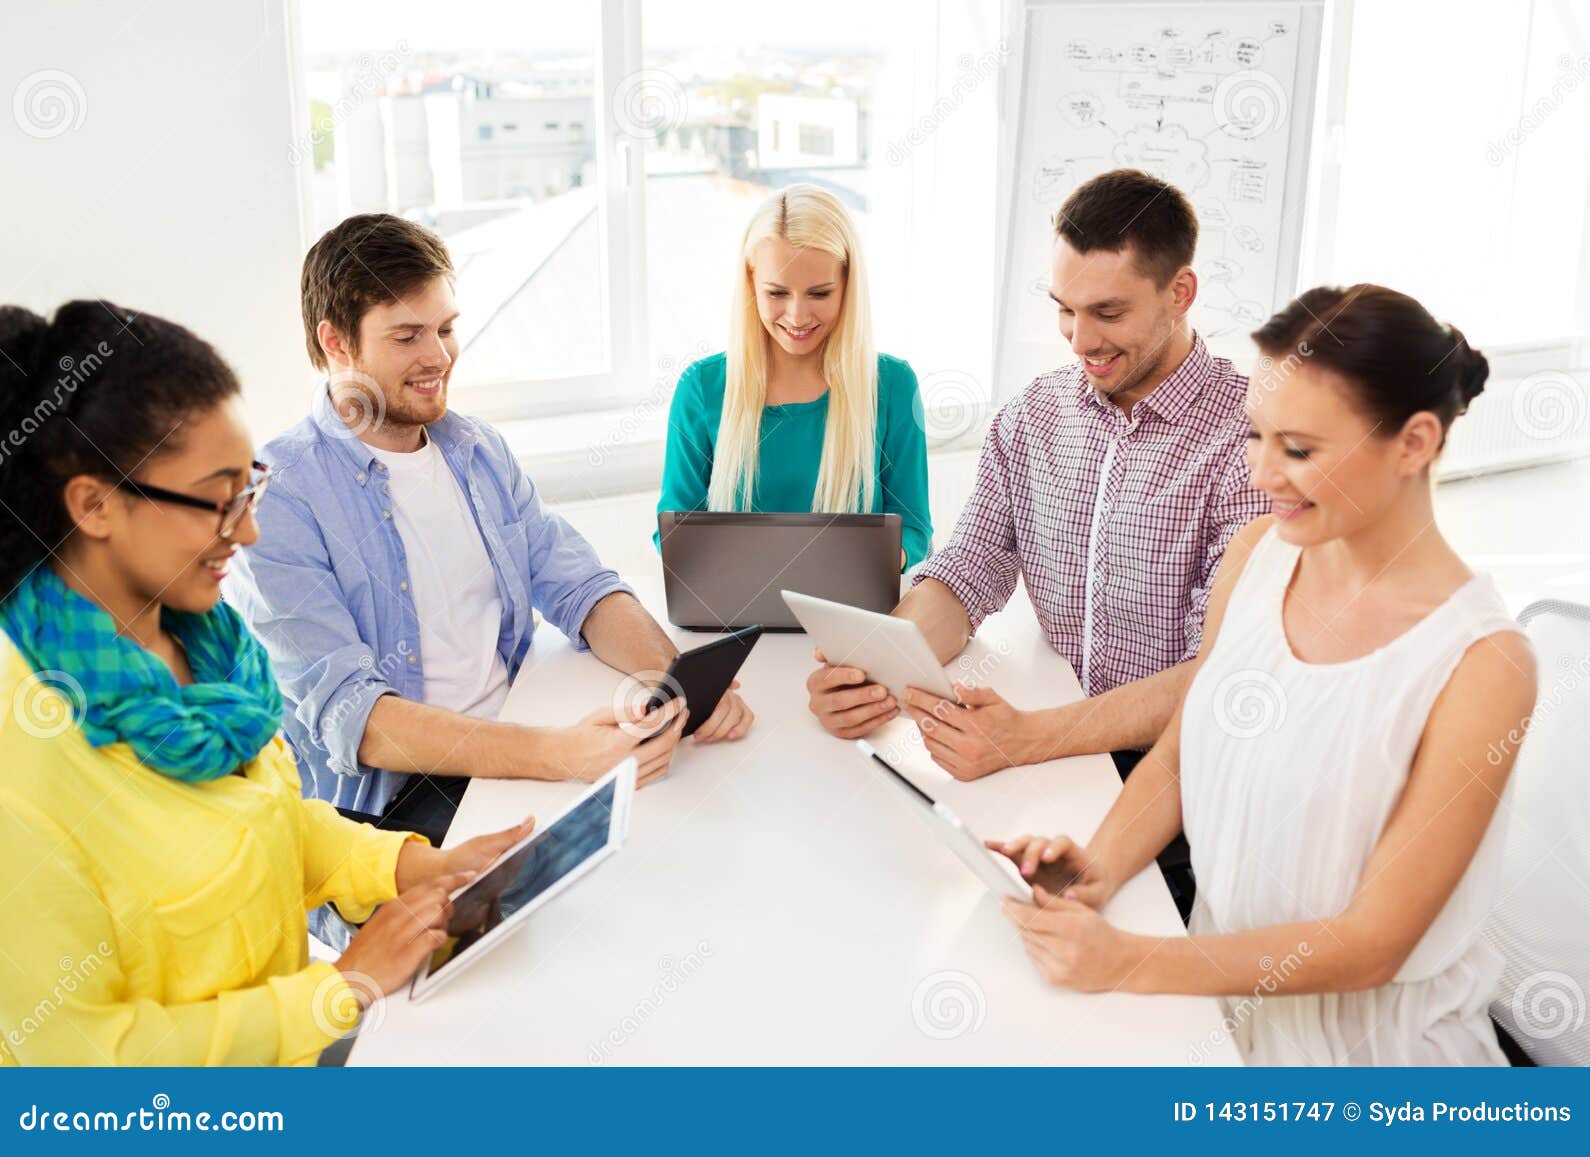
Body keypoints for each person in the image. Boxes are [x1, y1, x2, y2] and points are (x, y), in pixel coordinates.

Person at [990, 285, 1537, 1066]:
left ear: (1414, 443)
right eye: (1254, 435)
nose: (1263, 472)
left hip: (1368, 1060)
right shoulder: (1257, 556)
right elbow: (1184, 754)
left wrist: (1129, 960)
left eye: (1300, 450)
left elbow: (1372, 943)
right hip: (1208, 1014)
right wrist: (1093, 870)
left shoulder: (1484, 663)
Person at [0, 302, 528, 1065]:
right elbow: (81, 1063)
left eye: (250, 487)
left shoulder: (204, 646)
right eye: (218, 500)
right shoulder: (24, 770)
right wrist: (340, 988)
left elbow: (271, 823)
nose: (247, 531)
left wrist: (417, 865)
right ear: (94, 504)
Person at [226, 214, 752, 847]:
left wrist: (677, 685)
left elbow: (580, 586)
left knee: (704, 835)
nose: (440, 356)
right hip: (404, 805)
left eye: (447, 328)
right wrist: (560, 755)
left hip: (526, 736)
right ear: (336, 343)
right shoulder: (279, 494)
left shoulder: (476, 451)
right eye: (408, 336)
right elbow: (356, 718)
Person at [805, 169, 1269, 782]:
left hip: (1182, 770)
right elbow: (969, 569)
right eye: (1065, 310)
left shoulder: (1254, 443)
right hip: (1053, 746)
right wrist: (876, 668)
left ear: (1180, 292)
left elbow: (1217, 671)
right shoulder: (1031, 418)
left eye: (1108, 311)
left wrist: (1028, 738)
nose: (1081, 340)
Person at [656, 183, 932, 570]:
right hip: (730, 619)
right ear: (751, 283)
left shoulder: (893, 386)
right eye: (777, 294)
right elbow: (675, 531)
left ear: (848, 286)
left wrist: (869, 568)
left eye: (819, 294)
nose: (798, 317)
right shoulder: (701, 389)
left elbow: (915, 526)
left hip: (851, 619)